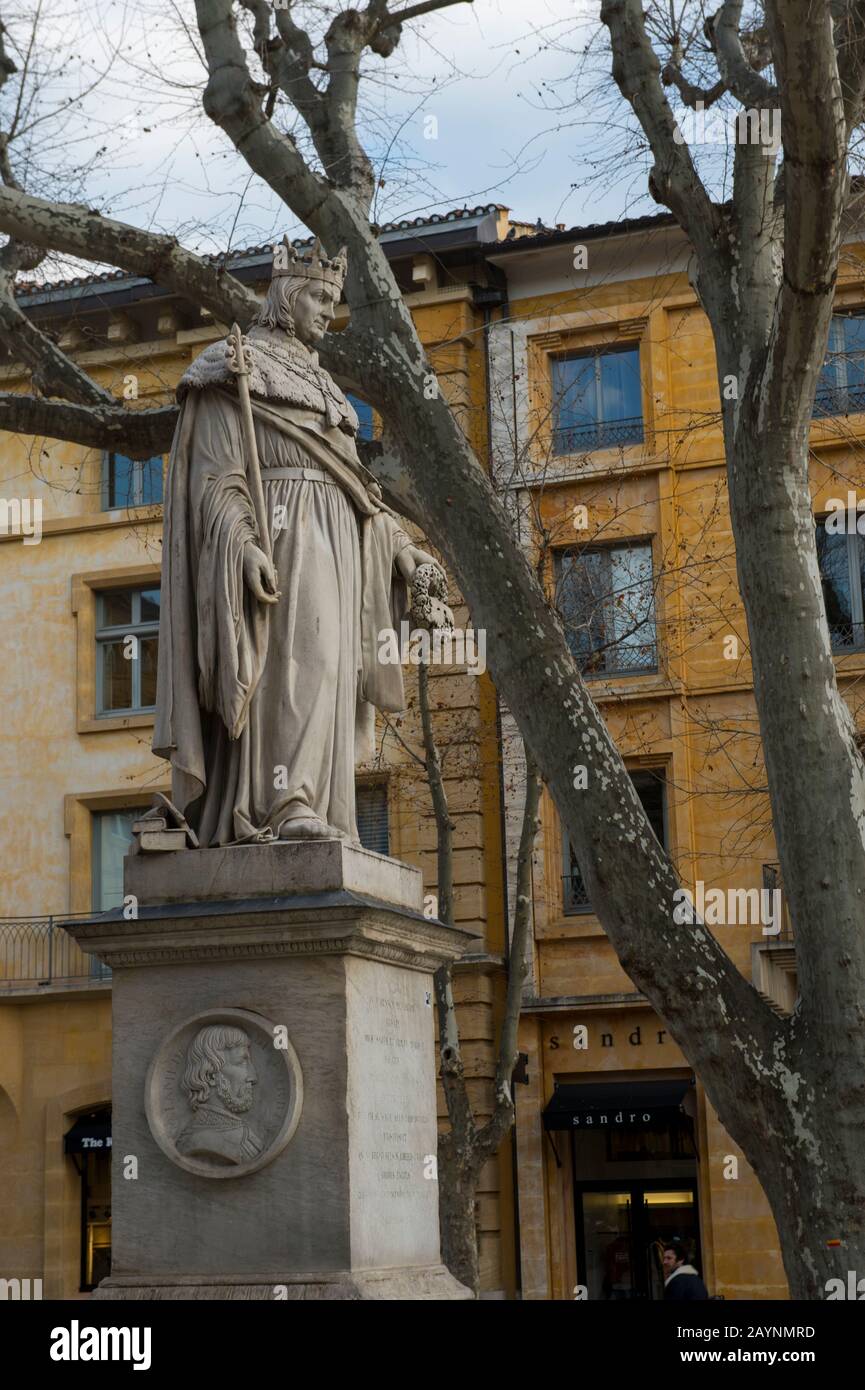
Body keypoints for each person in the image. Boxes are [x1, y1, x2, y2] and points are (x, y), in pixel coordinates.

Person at [153, 238, 444, 845]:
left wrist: (403, 551)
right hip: (284, 535)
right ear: (286, 297)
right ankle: (284, 803)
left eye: (332, 301)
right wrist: (243, 543)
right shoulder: (231, 364)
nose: (326, 313)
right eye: (317, 297)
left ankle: (321, 805)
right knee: (297, 664)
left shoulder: (330, 392)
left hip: (339, 544)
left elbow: (360, 492)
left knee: (330, 670)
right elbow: (214, 475)